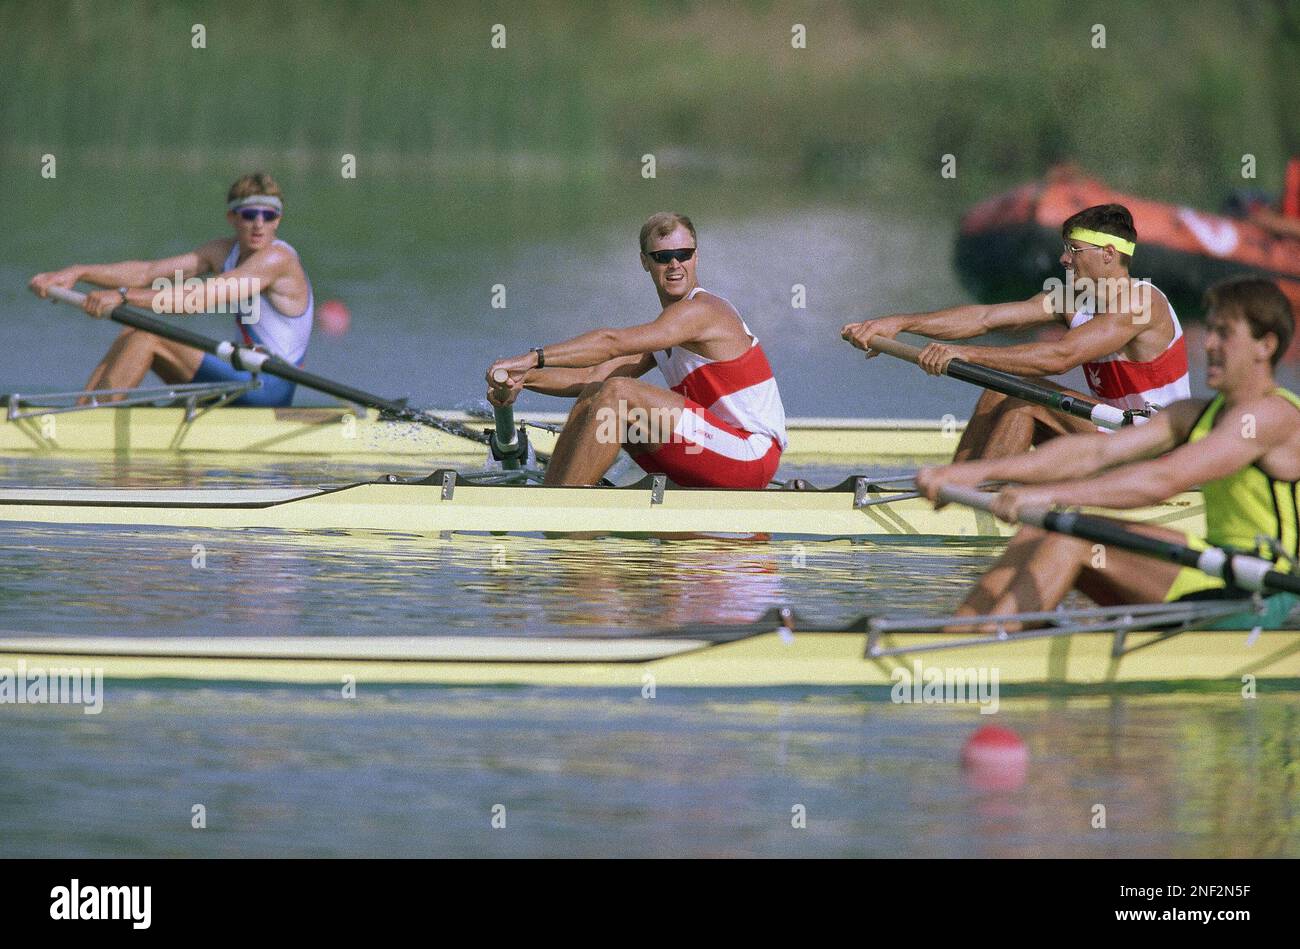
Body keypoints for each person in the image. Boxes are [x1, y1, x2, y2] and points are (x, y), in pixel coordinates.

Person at [915, 276, 1297, 627]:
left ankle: (983, 653)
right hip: (1215, 566)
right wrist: (974, 475)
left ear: (1265, 345)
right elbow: (1095, 453)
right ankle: (954, 635)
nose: (1209, 344)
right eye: (1210, 329)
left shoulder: (1272, 415)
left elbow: (1162, 479)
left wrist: (1041, 495)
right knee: (1036, 533)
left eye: (1224, 334)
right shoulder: (1192, 414)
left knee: (1070, 535)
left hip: (1261, 590)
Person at [841, 204, 1189, 460]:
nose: (1064, 260)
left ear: (1109, 254)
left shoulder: (1141, 302)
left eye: (1074, 250)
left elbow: (1060, 357)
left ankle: (974, 494)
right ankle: (956, 488)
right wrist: (900, 323)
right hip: (1116, 434)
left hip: (1158, 450)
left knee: (1026, 395)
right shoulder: (1072, 299)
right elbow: (986, 318)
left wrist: (967, 354)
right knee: (1001, 389)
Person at [486, 212, 787, 487]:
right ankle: (552, 500)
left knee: (618, 393)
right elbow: (593, 372)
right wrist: (522, 379)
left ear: (696, 257)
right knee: (596, 392)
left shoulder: (703, 311)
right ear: (645, 261)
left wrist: (532, 358)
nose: (674, 265)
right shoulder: (666, 330)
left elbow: (610, 342)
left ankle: (568, 510)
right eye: (662, 256)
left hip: (751, 456)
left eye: (684, 254)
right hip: (712, 447)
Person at [29, 172, 312, 406]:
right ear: (232, 217)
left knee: (147, 336)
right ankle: (83, 411)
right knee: (132, 331)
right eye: (250, 214)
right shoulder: (222, 251)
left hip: (271, 386)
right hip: (243, 372)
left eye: (269, 215)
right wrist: (78, 272)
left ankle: (89, 424)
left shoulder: (278, 260)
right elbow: (147, 272)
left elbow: (197, 298)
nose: (259, 224)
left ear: (279, 220)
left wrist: (123, 297)